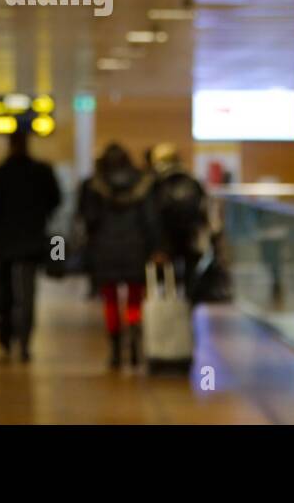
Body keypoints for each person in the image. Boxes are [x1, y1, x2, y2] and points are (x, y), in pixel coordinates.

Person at [0, 128, 61, 363]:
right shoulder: (42, 171)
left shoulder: (2, 172)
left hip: (4, 242)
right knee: (28, 293)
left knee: (6, 292)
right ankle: (24, 341)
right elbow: (56, 200)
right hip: (32, 241)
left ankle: (5, 338)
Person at [78, 143, 162, 369]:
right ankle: (134, 345)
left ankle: (115, 350)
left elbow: (88, 220)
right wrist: (157, 248)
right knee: (135, 297)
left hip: (104, 249)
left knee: (111, 300)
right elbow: (150, 219)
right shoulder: (143, 183)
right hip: (137, 248)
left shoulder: (94, 185)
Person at [149, 142, 209, 298]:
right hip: (190, 234)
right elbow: (203, 208)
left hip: (166, 236)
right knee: (190, 273)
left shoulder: (156, 182)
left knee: (165, 276)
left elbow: (152, 213)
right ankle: (188, 304)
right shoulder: (191, 180)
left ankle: (169, 307)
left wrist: (156, 243)